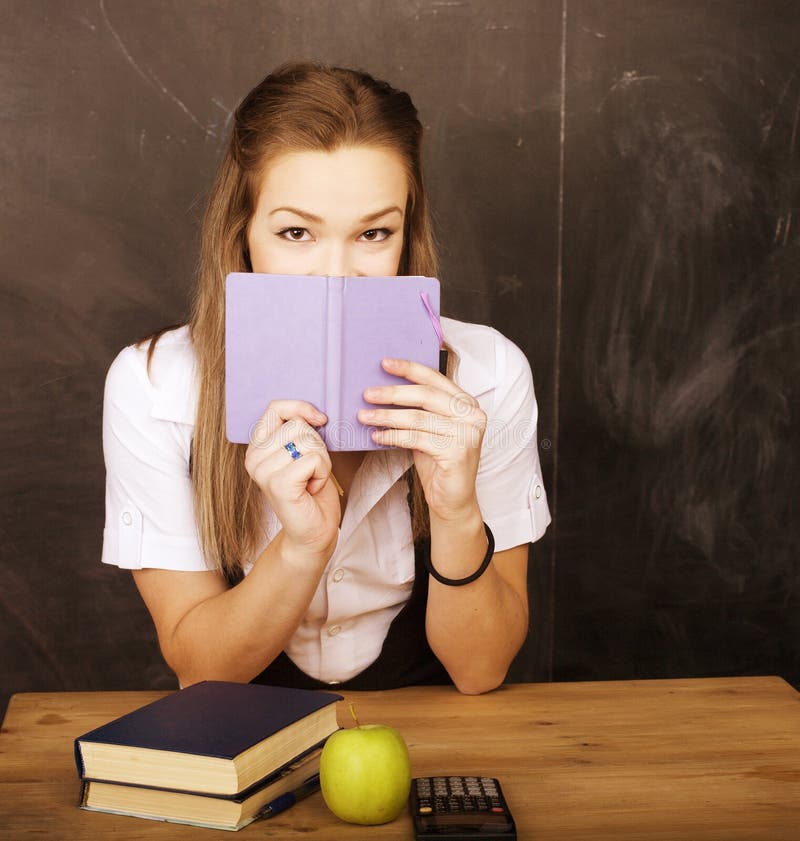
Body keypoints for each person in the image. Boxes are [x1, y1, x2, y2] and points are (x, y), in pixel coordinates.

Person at [101, 62, 551, 695]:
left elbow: (482, 670)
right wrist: (302, 545)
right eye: (295, 232)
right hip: (243, 747)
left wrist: (456, 513)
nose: (335, 275)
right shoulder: (155, 385)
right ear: (243, 235)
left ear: (406, 236)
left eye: (373, 232)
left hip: (434, 739)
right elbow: (201, 668)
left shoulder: (488, 374)